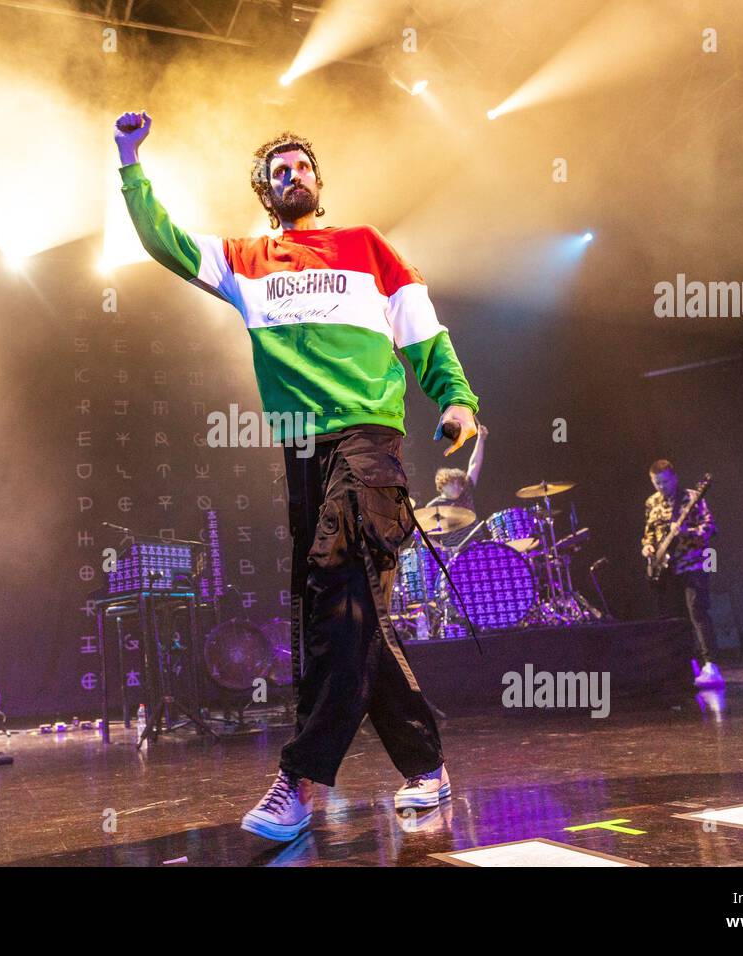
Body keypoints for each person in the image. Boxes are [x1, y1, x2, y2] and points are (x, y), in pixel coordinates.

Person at [113, 111, 482, 841]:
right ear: (264, 190)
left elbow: (425, 333)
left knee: (340, 598)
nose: (292, 174)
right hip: (302, 452)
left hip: (368, 441)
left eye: (302, 165)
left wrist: (458, 400)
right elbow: (168, 242)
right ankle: (427, 770)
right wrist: (130, 164)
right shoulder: (245, 260)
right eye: (278, 170)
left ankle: (301, 779)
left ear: (319, 181)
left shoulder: (367, 247)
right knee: (346, 614)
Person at [641, 461, 721, 688]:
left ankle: (711, 665)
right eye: (657, 483)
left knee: (698, 611)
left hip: (694, 563)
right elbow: (648, 533)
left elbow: (710, 528)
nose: (662, 486)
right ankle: (687, 663)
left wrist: (687, 532)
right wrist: (646, 547)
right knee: (675, 618)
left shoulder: (692, 497)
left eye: (665, 481)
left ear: (674, 478)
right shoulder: (651, 502)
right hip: (666, 569)